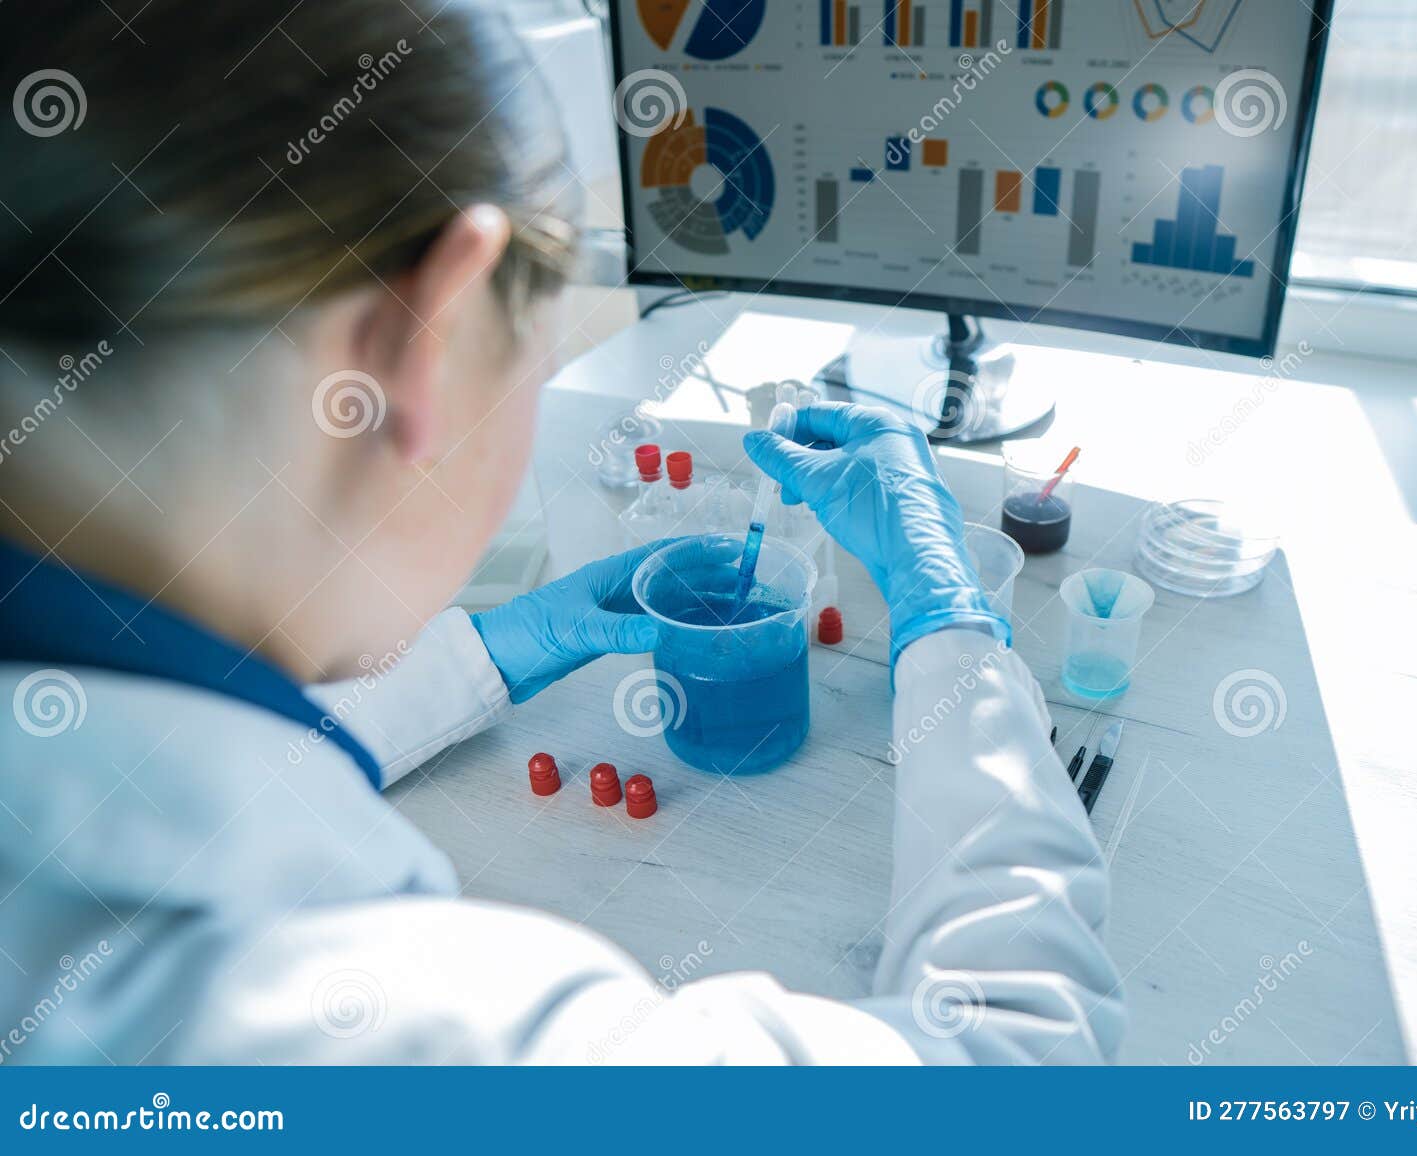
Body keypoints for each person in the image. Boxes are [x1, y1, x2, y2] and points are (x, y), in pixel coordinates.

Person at [0, 0, 1121, 1064]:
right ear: (418, 342)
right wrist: (952, 628)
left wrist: (484, 651)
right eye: (536, 348)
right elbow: (1022, 1056)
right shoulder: (417, 1032)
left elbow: (148, 781)